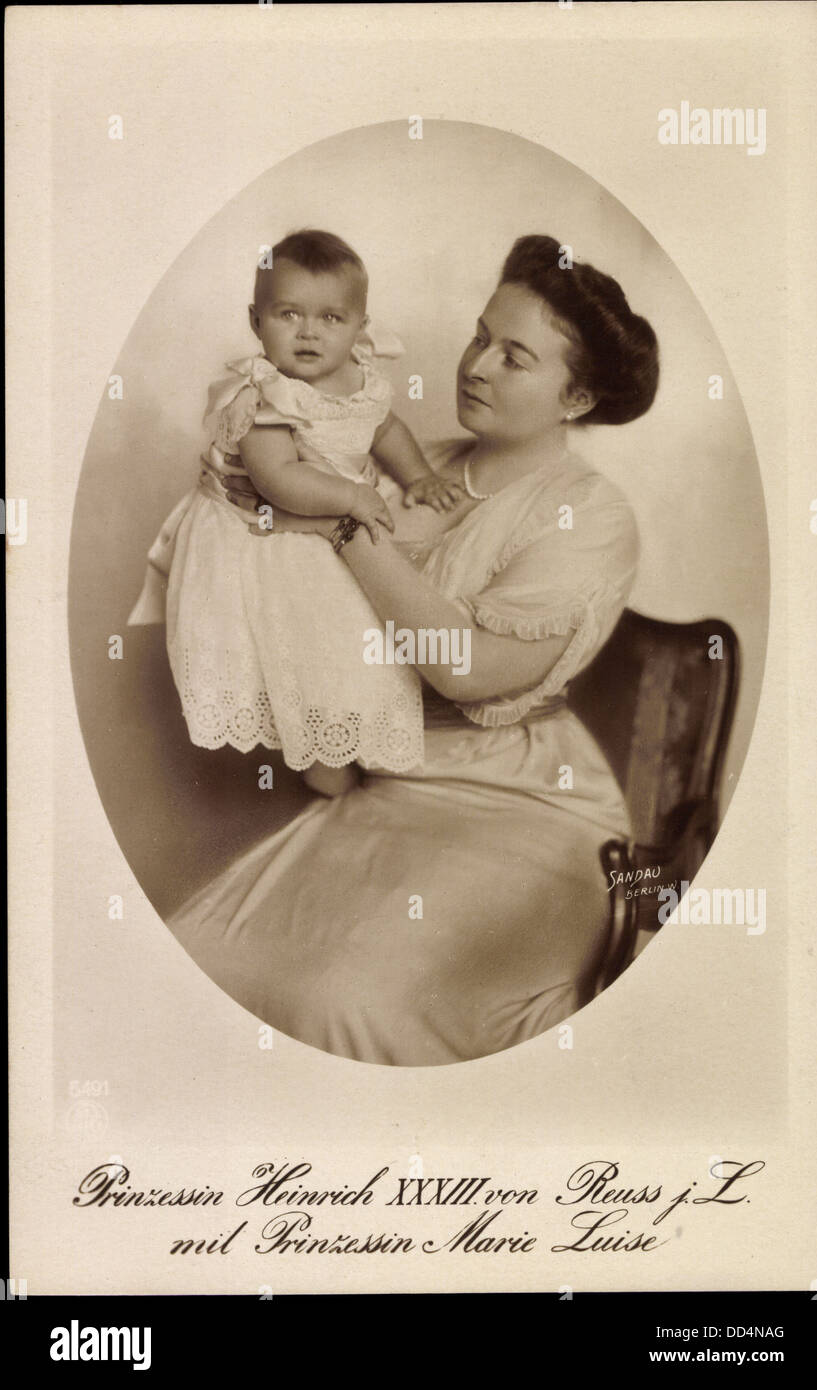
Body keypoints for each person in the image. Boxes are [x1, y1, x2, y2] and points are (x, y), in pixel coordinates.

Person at [168, 234, 660, 1066]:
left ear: (575, 400)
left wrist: (335, 522)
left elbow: (463, 667)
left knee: (346, 1000)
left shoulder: (589, 514)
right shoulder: (414, 461)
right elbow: (283, 578)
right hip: (384, 780)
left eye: (516, 357)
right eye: (479, 336)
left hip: (524, 803)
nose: (477, 365)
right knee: (201, 953)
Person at [128, 229, 463, 797]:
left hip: (318, 510)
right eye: (288, 314)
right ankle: (323, 755)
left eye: (331, 318)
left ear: (360, 325)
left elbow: (383, 427)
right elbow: (278, 479)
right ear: (256, 320)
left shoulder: (357, 377)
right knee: (313, 642)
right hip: (261, 528)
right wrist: (352, 497)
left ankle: (365, 737)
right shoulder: (265, 395)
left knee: (365, 635)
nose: (309, 332)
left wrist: (419, 476)